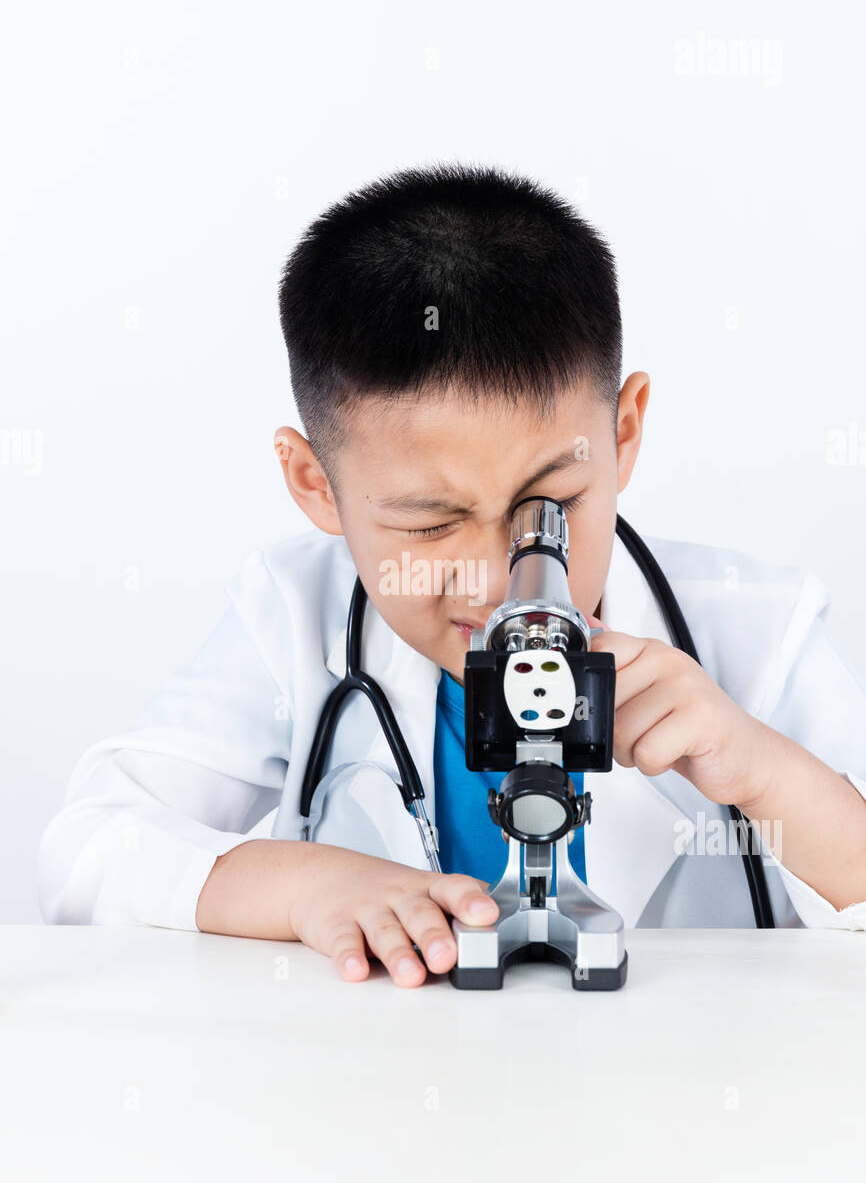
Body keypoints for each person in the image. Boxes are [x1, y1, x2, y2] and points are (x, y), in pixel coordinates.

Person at [37, 163, 866, 986]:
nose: (499, 583)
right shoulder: (294, 614)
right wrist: (305, 886)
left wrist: (764, 773)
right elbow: (88, 851)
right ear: (316, 484)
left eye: (549, 509)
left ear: (622, 433)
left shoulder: (757, 625)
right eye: (430, 524)